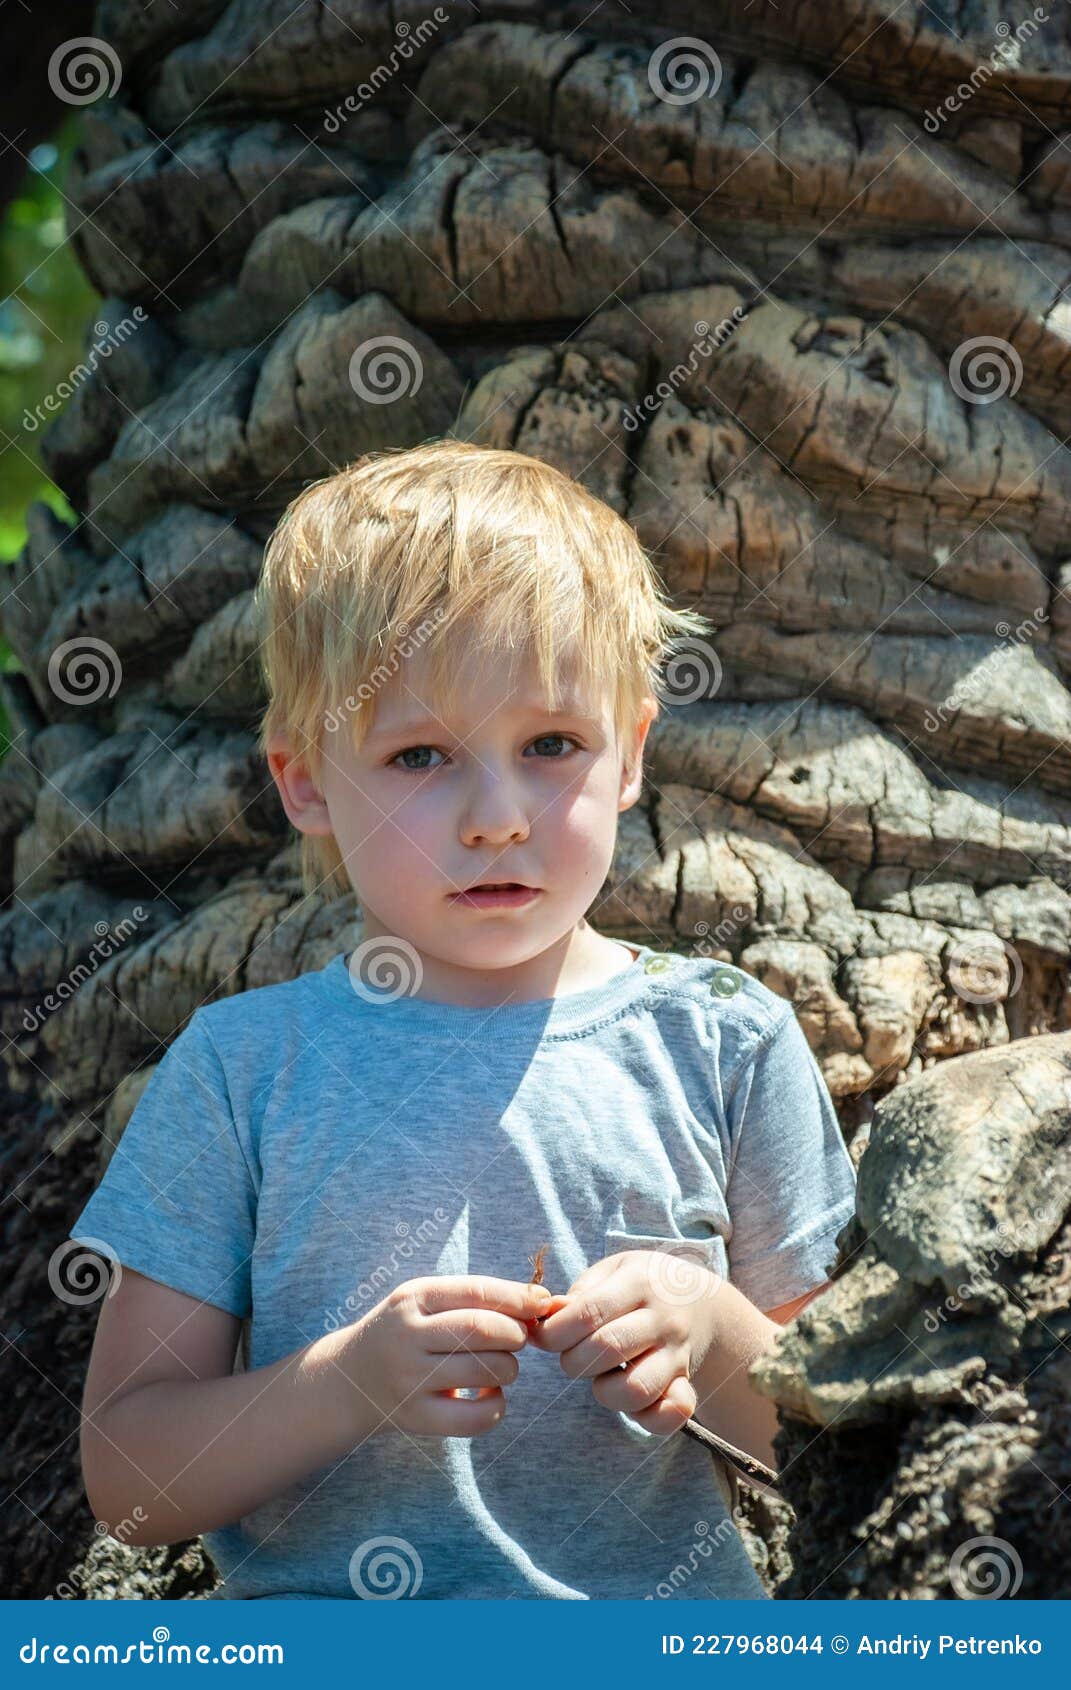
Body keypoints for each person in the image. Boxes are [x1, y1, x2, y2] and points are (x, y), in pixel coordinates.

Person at [69, 439, 857, 1600]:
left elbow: (844, 1453)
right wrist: (347, 1382)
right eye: (420, 755)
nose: (496, 817)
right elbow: (130, 1483)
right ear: (305, 782)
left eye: (551, 745)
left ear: (631, 750)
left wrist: (712, 1329)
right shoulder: (243, 1070)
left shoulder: (727, 1038)